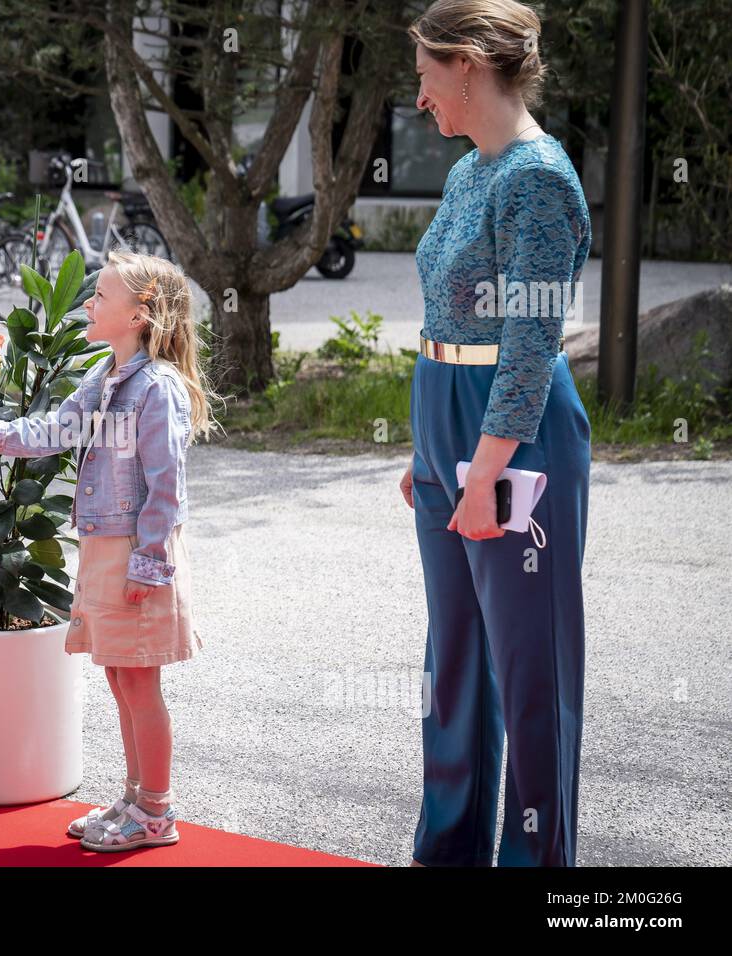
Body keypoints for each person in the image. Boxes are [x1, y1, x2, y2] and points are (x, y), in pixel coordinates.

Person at [403, 0, 592, 866]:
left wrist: (482, 469)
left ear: (469, 63)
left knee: (530, 676)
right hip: (448, 422)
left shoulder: (537, 177)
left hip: (511, 434)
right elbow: (448, 316)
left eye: (425, 75)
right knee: (456, 668)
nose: (419, 98)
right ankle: (447, 852)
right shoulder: (469, 170)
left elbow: (529, 344)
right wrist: (428, 455)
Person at [0, 250, 220, 851]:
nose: (88, 303)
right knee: (122, 678)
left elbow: (167, 486)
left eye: (100, 296)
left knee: (140, 683)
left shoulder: (159, 389)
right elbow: (55, 430)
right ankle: (136, 796)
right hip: (107, 547)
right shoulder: (104, 373)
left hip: (135, 554)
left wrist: (149, 565)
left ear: (141, 315)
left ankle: (156, 810)